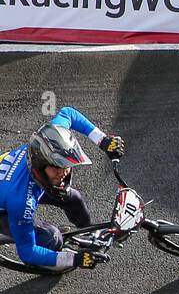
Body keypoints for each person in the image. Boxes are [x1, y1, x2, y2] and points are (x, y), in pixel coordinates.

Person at [0, 107, 125, 270]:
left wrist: (103, 141)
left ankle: (87, 233)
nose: (64, 173)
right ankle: (52, 257)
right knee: (52, 237)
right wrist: (74, 259)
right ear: (40, 166)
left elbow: (68, 113)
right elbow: (27, 252)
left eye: (66, 166)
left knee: (74, 198)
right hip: (9, 200)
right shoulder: (21, 201)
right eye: (57, 168)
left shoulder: (47, 141)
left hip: (15, 183)